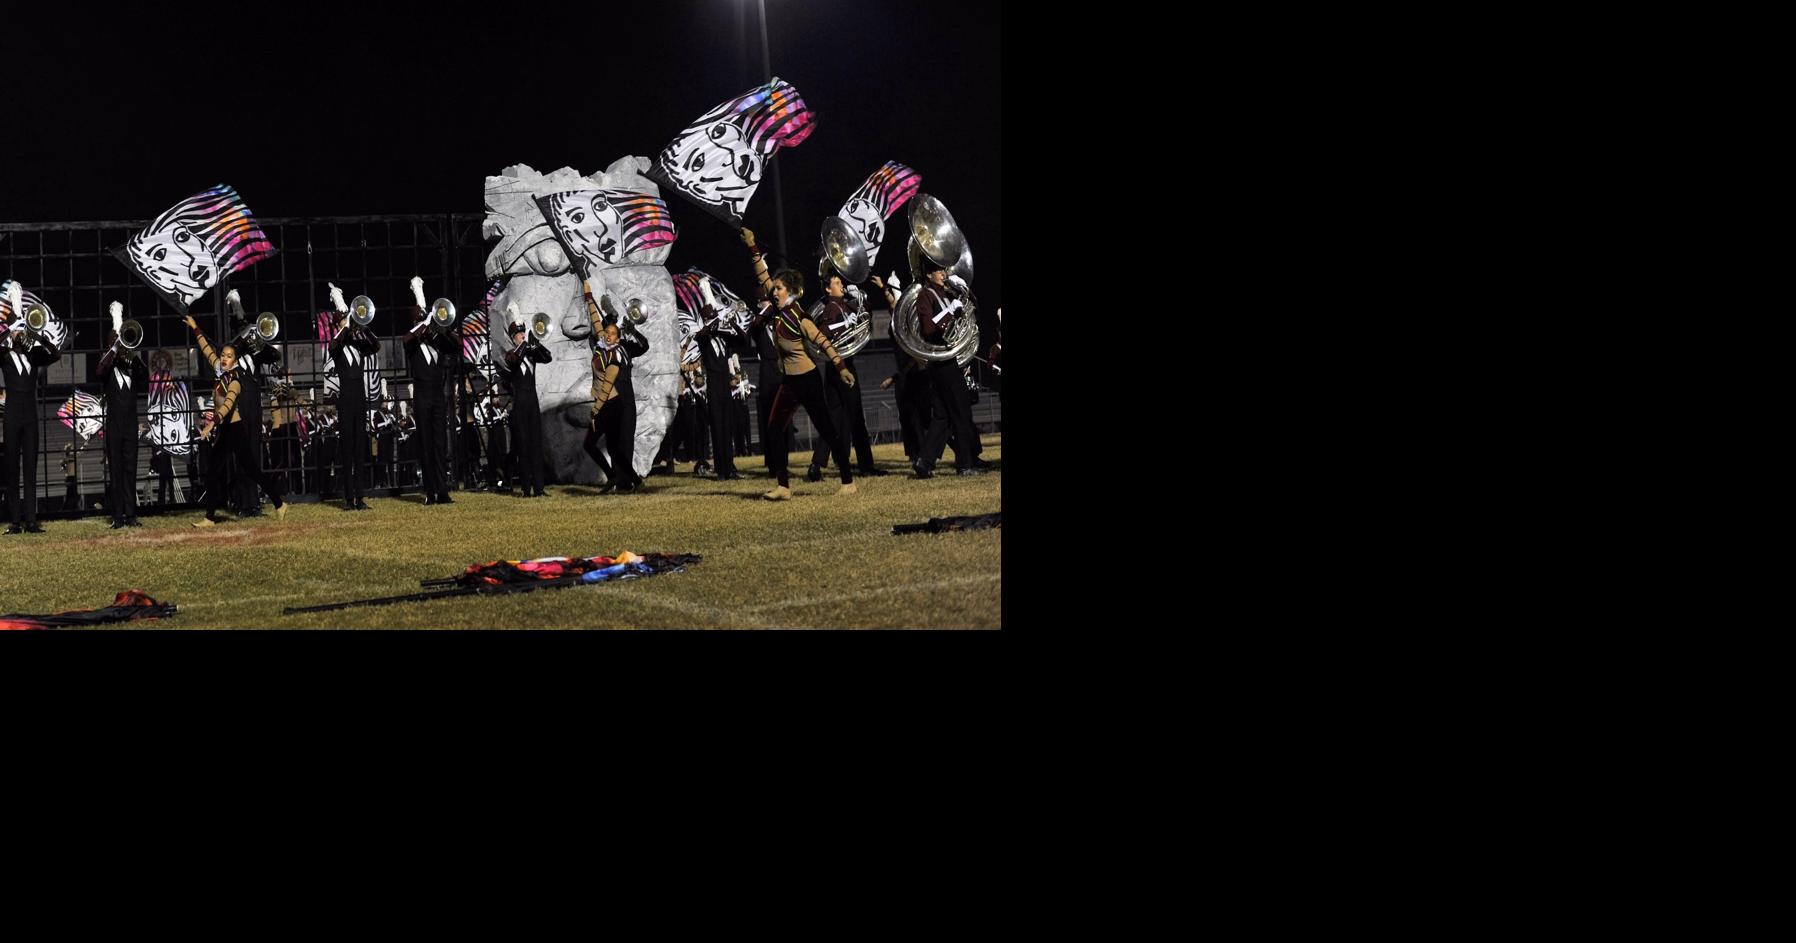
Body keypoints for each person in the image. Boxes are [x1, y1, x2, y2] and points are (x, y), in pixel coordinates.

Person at [741, 229, 857, 500]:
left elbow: (824, 342)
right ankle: (783, 487)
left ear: (790, 292)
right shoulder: (780, 309)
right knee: (773, 429)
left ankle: (848, 481)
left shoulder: (798, 316)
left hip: (808, 380)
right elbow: (763, 276)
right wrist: (752, 246)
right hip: (790, 382)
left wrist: (841, 368)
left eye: (779, 289)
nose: (774, 292)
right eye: (776, 289)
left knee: (827, 429)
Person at [181, 314, 287, 527]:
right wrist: (195, 328)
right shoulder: (221, 371)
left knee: (250, 470)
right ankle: (211, 517)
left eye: (229, 355)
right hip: (227, 430)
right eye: (223, 355)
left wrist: (212, 423)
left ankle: (278, 503)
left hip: (234, 429)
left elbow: (228, 404)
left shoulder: (236, 378)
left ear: (235, 359)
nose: (224, 358)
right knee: (220, 471)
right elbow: (206, 350)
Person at [806, 268, 883, 479]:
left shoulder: (844, 304)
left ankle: (816, 465)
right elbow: (821, 334)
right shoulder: (830, 307)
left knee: (834, 417)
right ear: (829, 288)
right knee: (856, 417)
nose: (842, 286)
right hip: (841, 366)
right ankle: (866, 465)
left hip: (838, 366)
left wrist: (859, 298)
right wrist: (843, 324)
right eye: (838, 283)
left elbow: (865, 315)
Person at [2, 282, 61, 534]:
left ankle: (31, 521)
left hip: (31, 417)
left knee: (30, 470)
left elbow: (55, 354)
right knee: (12, 470)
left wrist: (36, 337)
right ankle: (15, 522)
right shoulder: (4, 355)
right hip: (12, 416)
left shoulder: (34, 355)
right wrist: (7, 333)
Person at [580, 285, 650, 494]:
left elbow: (644, 346)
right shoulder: (601, 346)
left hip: (626, 400)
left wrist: (633, 330)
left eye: (613, 331)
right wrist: (590, 299)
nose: (608, 334)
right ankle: (624, 480)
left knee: (624, 441)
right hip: (612, 398)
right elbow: (597, 327)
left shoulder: (625, 347)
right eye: (607, 330)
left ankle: (625, 481)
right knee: (615, 443)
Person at [404, 276, 460, 505]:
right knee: (425, 444)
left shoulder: (438, 340)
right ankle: (429, 491)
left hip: (438, 394)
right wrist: (423, 324)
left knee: (440, 443)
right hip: (421, 394)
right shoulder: (413, 341)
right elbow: (407, 339)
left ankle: (442, 489)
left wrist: (438, 327)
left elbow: (456, 345)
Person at [326, 283, 380, 509]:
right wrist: (345, 327)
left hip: (360, 398)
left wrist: (363, 328)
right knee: (347, 449)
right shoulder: (337, 346)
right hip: (345, 399)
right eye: (343, 321)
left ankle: (360, 496)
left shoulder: (359, 344)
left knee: (360, 449)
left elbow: (375, 346)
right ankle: (348, 497)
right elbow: (334, 345)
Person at [98, 301, 149, 527]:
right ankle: (117, 516)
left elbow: (145, 378)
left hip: (130, 425)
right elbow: (99, 372)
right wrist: (116, 347)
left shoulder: (132, 366)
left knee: (130, 469)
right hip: (114, 426)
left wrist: (133, 353)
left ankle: (131, 515)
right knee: (116, 471)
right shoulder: (107, 364)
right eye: (115, 340)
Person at [500, 304, 552, 497]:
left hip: (532, 402)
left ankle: (539, 488)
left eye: (523, 334)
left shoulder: (530, 353)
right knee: (523, 446)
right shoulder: (510, 354)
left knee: (536, 444)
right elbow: (512, 362)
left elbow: (548, 358)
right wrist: (523, 345)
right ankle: (525, 489)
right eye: (520, 335)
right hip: (519, 404)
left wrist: (535, 343)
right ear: (513, 339)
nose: (523, 337)